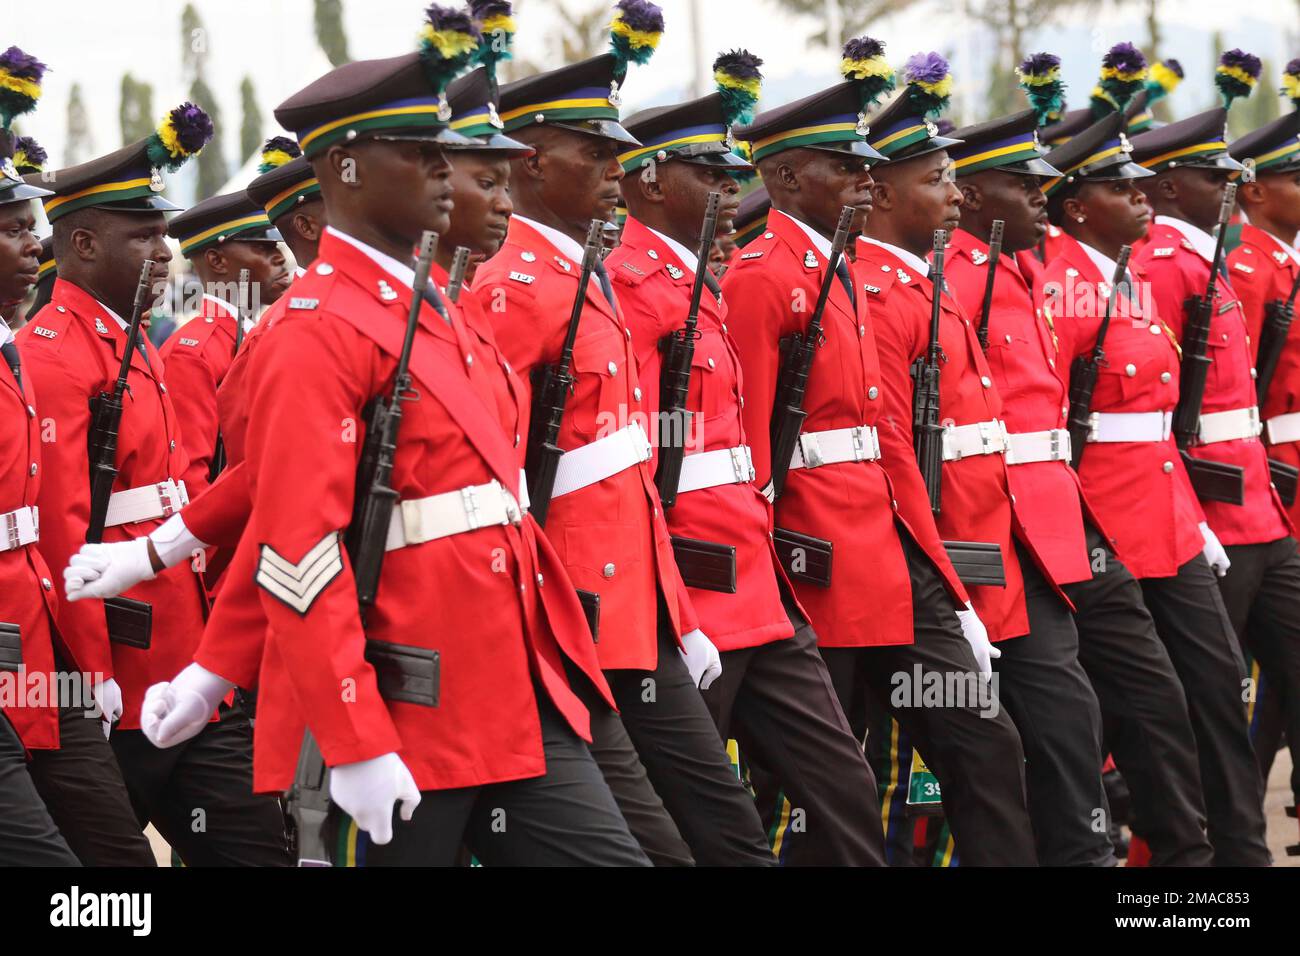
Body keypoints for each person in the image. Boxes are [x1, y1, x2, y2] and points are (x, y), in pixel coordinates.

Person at [724, 39, 1036, 866]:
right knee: (830, 788)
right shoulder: (761, 276)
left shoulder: (850, 273)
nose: (868, 180)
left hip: (892, 563)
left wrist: (944, 583)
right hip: (817, 569)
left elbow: (888, 439)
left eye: (870, 168)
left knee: (984, 741)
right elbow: (753, 448)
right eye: (846, 166)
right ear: (787, 180)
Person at [476, 0, 774, 866]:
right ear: (533, 160)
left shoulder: (581, 271)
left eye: (618, 152)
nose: (617, 168)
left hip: (639, 601)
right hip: (576, 603)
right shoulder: (512, 286)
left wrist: (678, 613)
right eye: (596, 153)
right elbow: (502, 475)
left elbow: (632, 470)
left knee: (729, 832)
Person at [609, 50, 886, 865]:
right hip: (690, 588)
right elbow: (634, 463)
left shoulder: (697, 280)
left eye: (735, 178)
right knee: (705, 821)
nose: (733, 196)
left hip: (755, 582)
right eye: (711, 177)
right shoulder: (629, 286)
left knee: (843, 785)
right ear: (653, 181)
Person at [945, 55, 1211, 865]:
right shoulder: (953, 279)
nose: (1043, 197)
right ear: (974, 196)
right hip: (996, 527)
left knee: (1146, 700)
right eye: (1025, 185)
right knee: (1044, 736)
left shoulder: (1033, 270)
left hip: (1066, 515)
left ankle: (1182, 863)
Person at [859, 57, 1112, 866]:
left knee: (1056, 740)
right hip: (928, 569)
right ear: (886, 192)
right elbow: (895, 452)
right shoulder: (876, 290)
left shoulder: (930, 280)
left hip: (999, 550)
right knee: (928, 778)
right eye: (939, 179)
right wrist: (942, 579)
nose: (959, 196)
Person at [24, 101, 291, 866]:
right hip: (116, 674)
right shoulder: (53, 356)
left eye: (164, 234)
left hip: (186, 661)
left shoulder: (130, 338)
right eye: (143, 236)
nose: (165, 253)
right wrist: (99, 677)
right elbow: (62, 531)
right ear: (80, 243)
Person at [1118, 49, 1279, 864]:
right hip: (1199, 501)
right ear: (1172, 187)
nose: (1232, 191)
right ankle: (1195, 849)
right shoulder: (1159, 267)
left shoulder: (1207, 262)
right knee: (1200, 696)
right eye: (1216, 180)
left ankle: (1232, 850)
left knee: (1223, 688)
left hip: (1250, 500)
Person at [1220, 90, 1300, 833]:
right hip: (1267, 481)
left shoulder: (1280, 258)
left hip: (1280, 483)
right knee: (1242, 679)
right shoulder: (1246, 267)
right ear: (1254, 189)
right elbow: (1232, 390)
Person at [159, 191, 290, 492]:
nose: (281, 257)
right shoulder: (193, 353)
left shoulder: (257, 332)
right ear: (217, 260)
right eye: (263, 247)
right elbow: (191, 481)